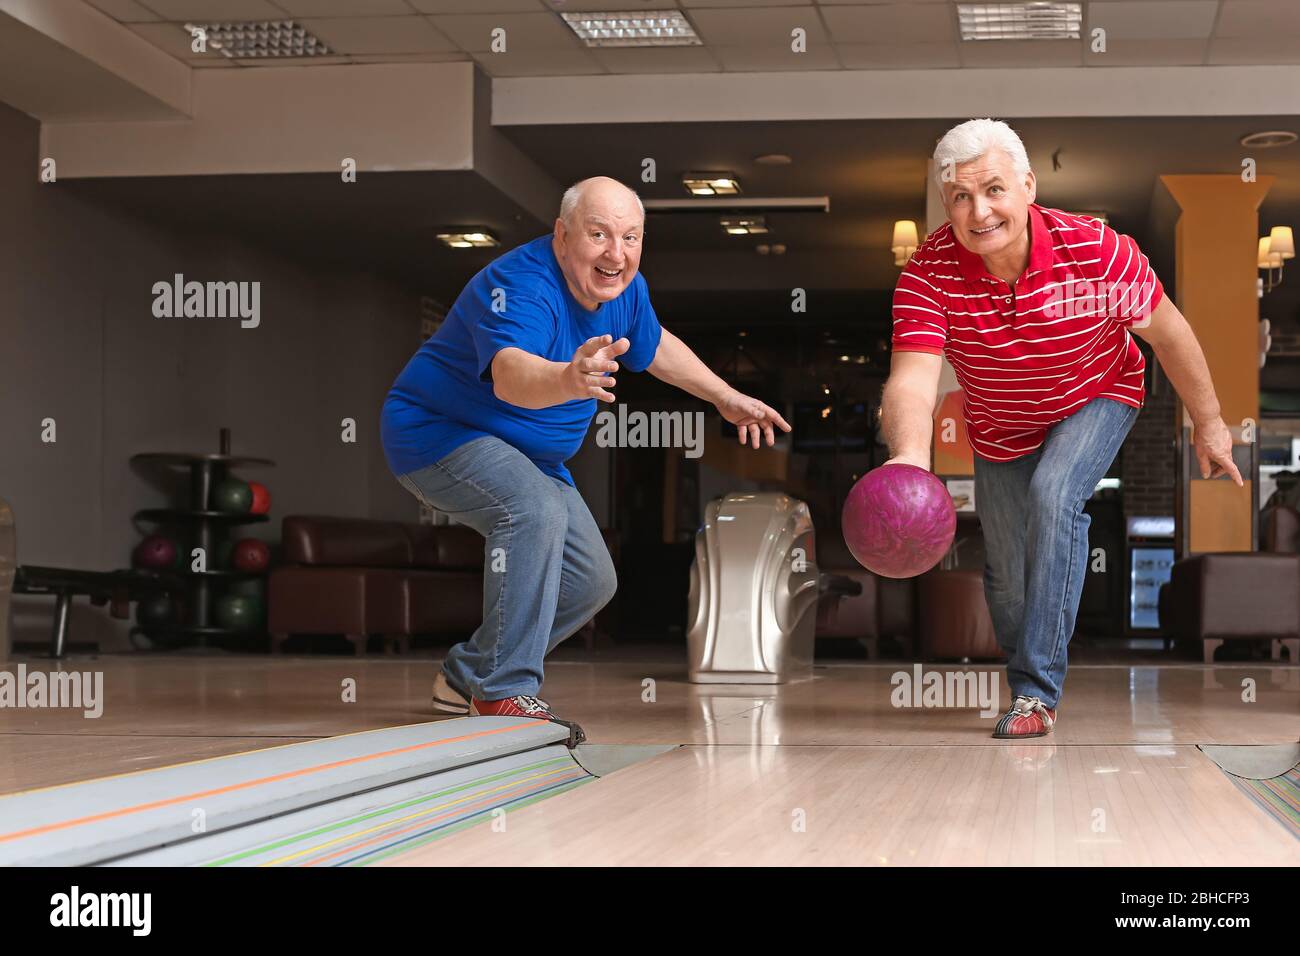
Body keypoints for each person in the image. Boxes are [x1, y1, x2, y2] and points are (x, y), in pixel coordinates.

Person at [381, 176, 790, 741]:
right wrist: (568, 378)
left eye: (630, 237)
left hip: (531, 456)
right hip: (441, 434)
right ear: (562, 235)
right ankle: (502, 693)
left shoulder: (626, 291)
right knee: (532, 512)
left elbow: (656, 345)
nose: (615, 254)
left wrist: (725, 396)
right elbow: (509, 375)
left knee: (590, 581)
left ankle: (465, 676)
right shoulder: (519, 285)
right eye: (598, 234)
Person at [883, 119, 1241, 739]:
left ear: (1027, 184)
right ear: (947, 205)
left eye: (994, 189)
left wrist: (1209, 425)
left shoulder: (1098, 250)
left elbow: (1171, 334)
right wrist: (910, 460)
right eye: (962, 197)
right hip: (999, 424)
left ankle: (1035, 695)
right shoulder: (927, 274)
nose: (980, 210)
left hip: (1098, 392)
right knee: (1006, 574)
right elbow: (913, 380)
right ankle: (1029, 672)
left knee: (1055, 496)